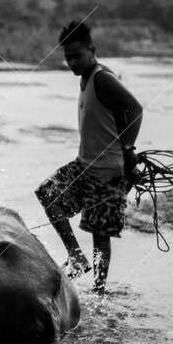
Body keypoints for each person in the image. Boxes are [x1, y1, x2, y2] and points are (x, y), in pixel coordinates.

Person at [34, 19, 142, 294]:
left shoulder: (102, 78)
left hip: (109, 172)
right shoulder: (85, 79)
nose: (72, 62)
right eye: (67, 57)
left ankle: (99, 289)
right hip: (84, 165)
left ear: (92, 50)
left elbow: (135, 108)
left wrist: (128, 150)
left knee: (100, 236)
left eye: (77, 56)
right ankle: (76, 257)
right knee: (48, 194)